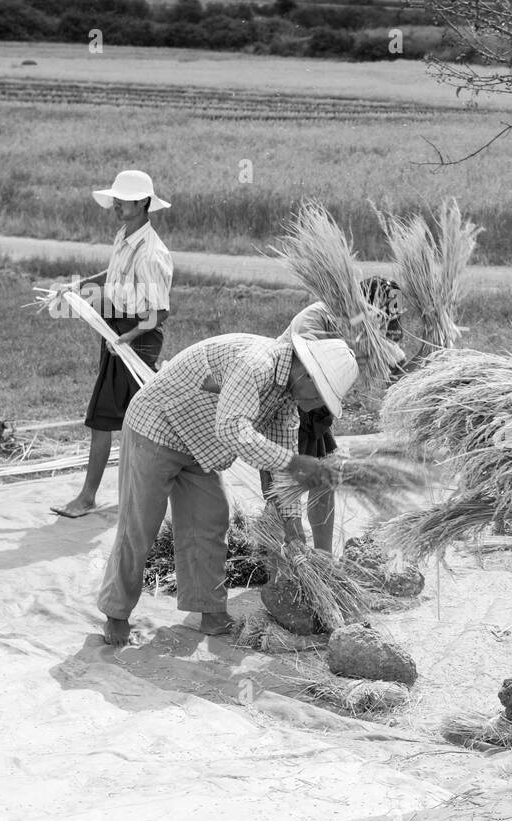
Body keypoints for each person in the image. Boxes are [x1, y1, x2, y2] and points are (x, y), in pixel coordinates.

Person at [96, 332, 359, 648]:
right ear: (307, 375)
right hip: (155, 428)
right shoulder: (257, 364)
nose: (317, 406)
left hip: (199, 446)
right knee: (140, 525)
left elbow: (279, 467)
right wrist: (296, 463)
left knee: (210, 520)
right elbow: (233, 428)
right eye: (320, 397)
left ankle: (210, 612)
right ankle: (117, 615)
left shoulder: (287, 399)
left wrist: (292, 526)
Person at [53, 170, 174, 519]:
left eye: (123, 201)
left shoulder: (151, 253)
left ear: (142, 203)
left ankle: (89, 498)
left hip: (137, 337)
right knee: (137, 416)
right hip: (116, 332)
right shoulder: (125, 236)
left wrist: (129, 338)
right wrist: (78, 286)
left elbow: (159, 312)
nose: (116, 206)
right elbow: (112, 275)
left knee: (103, 416)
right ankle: (147, 493)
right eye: (116, 200)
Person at [271, 277, 405, 552]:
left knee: (324, 480)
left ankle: (322, 557)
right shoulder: (318, 318)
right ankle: (278, 556)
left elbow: (395, 366)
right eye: (380, 318)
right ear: (364, 306)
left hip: (317, 409)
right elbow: (304, 370)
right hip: (290, 407)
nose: (383, 327)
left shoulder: (361, 326)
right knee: (283, 486)